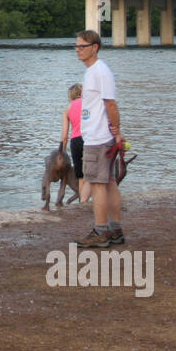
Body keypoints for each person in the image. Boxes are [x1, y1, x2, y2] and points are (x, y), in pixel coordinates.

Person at [74, 30, 125, 247]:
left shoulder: (99, 71)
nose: (78, 50)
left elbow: (110, 104)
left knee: (96, 184)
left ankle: (100, 231)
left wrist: (117, 131)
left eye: (82, 46)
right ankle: (115, 229)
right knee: (110, 183)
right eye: (76, 46)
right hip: (98, 135)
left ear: (94, 47)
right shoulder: (94, 72)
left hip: (98, 137)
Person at [60, 83, 90, 203]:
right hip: (88, 139)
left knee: (81, 176)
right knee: (91, 173)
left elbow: (64, 136)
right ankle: (89, 199)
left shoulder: (68, 108)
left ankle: (82, 202)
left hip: (75, 142)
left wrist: (62, 151)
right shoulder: (89, 104)